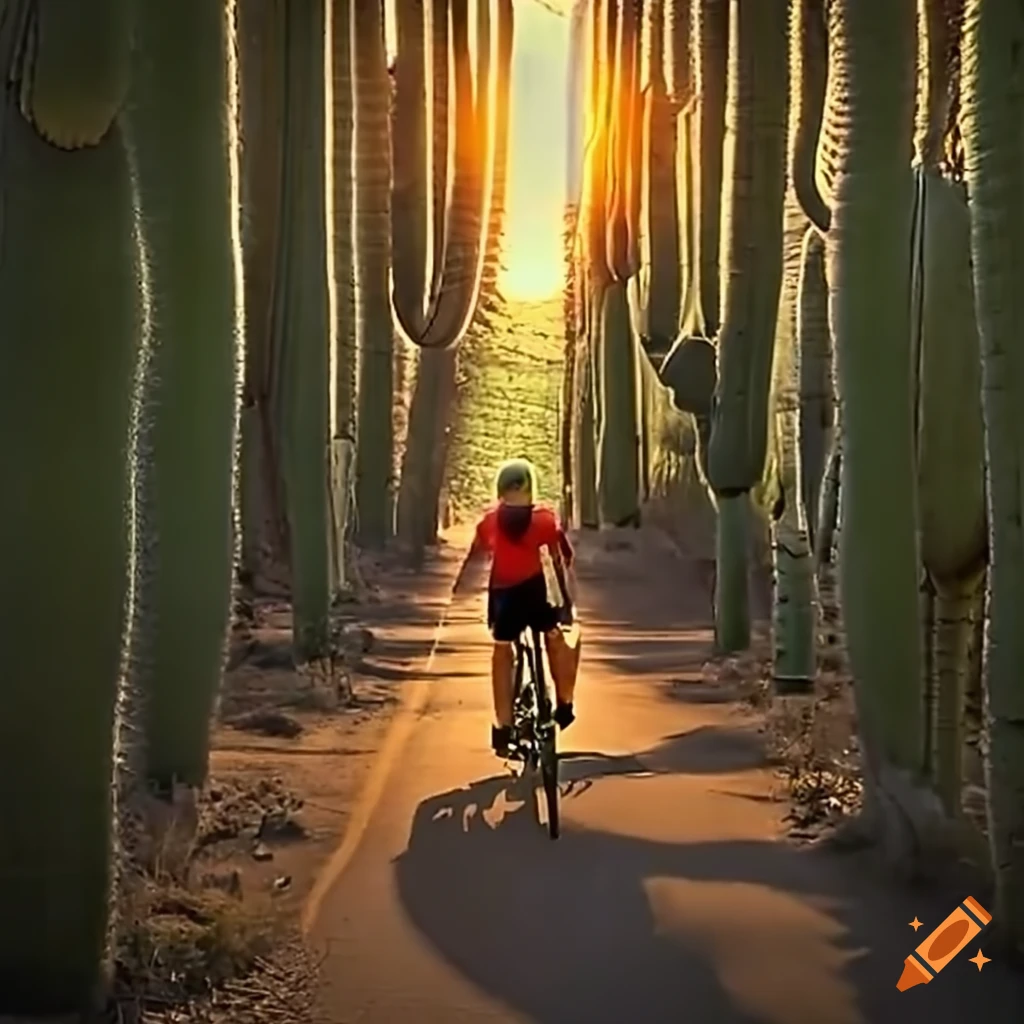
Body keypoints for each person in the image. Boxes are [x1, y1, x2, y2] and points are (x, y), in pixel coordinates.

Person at [452, 458, 577, 757]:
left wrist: (459, 596)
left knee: (502, 651)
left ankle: (504, 727)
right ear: (531, 489)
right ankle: (564, 704)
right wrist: (565, 600)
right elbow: (564, 558)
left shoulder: (490, 522)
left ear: (500, 490)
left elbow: (474, 562)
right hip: (539, 596)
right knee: (554, 638)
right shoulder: (545, 520)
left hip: (505, 599)